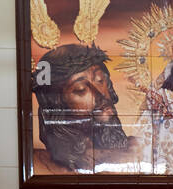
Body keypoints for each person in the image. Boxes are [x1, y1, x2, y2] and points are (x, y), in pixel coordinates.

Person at [30, 44, 132, 173]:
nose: (100, 94)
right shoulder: (39, 165)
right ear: (57, 104)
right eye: (81, 89)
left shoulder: (139, 149)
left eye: (100, 80)